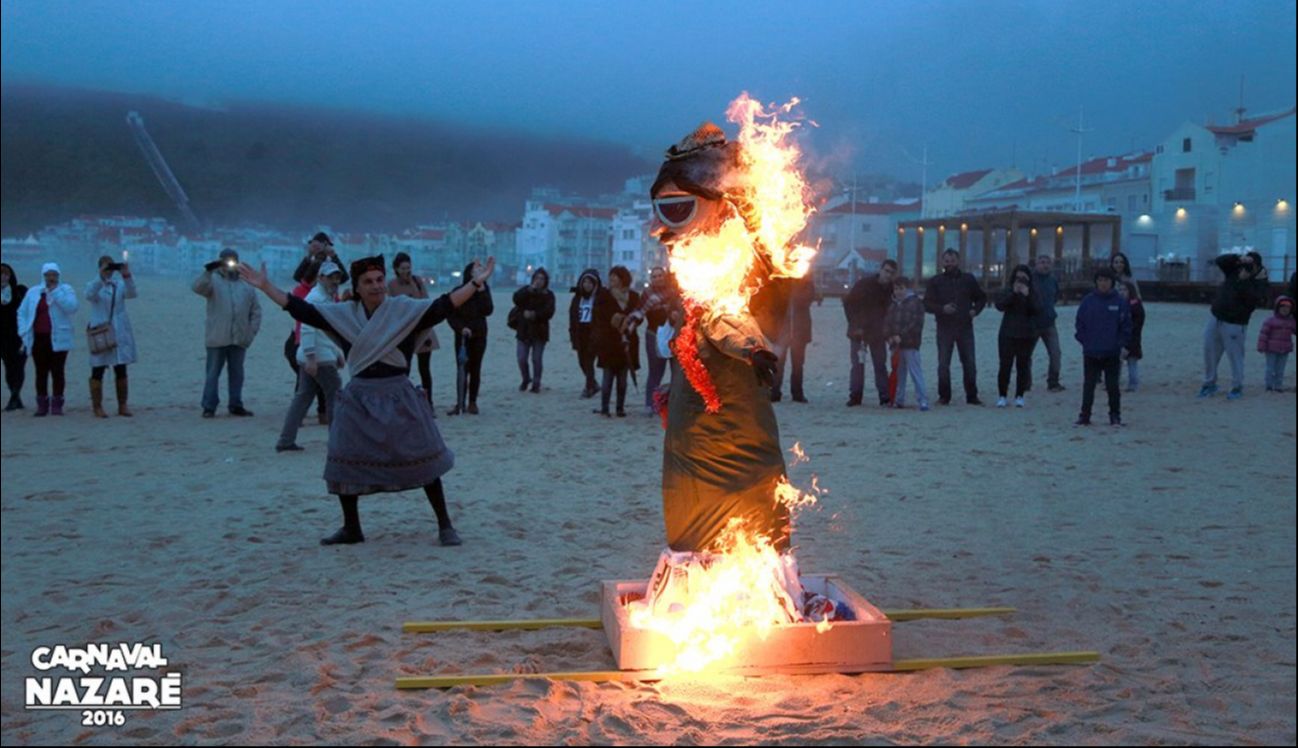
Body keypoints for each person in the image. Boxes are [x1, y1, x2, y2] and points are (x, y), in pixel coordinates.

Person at [239, 254, 496, 546]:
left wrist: (476, 283)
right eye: (368, 282)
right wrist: (266, 286)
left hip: (399, 394)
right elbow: (302, 311)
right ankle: (351, 528)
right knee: (344, 459)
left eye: (378, 280)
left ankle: (445, 525)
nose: (376, 286)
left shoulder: (403, 310)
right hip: (359, 396)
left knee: (425, 459)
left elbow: (443, 305)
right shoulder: (343, 314)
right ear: (357, 287)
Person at [649, 121, 790, 553]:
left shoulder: (727, 271)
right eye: (667, 207)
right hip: (694, 420)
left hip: (730, 411)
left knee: (751, 492)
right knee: (690, 494)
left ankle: (758, 566)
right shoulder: (701, 268)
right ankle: (696, 563)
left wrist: (755, 350)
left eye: (681, 206)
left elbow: (729, 321)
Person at [277, 261, 346, 452]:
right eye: (330, 277)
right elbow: (306, 328)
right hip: (317, 357)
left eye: (337, 277)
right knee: (334, 394)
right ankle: (336, 441)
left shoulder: (328, 297)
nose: (334, 280)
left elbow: (328, 331)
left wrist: (336, 352)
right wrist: (311, 357)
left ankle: (285, 440)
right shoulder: (316, 298)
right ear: (320, 278)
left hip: (320, 354)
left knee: (303, 397)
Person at [193, 248, 262, 418]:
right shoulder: (214, 282)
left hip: (239, 338)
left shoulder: (246, 285)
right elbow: (198, 288)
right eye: (226, 261)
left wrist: (250, 333)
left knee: (237, 374)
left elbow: (256, 311)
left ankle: (235, 404)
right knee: (212, 374)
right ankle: (209, 406)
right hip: (217, 337)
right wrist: (208, 271)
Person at [1199, 251, 1269, 400]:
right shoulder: (1234, 270)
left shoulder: (1260, 281)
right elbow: (1220, 260)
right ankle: (1209, 384)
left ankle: (1237, 386)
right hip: (1216, 316)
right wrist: (1238, 258)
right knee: (1209, 353)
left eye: (1252, 264)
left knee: (1235, 357)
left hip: (1236, 323)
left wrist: (1244, 281)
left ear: (1258, 266)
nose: (1248, 267)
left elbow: (1254, 300)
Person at [924, 248, 987, 405]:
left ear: (958, 261)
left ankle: (972, 395)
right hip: (944, 327)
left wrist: (975, 310)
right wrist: (942, 309)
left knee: (969, 363)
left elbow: (981, 297)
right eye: (946, 261)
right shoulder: (935, 281)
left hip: (965, 326)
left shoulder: (968, 279)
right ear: (942, 262)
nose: (949, 264)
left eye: (952, 261)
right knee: (943, 364)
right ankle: (944, 396)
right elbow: (926, 303)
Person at [17, 262, 78, 416]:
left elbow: (72, 307)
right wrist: (23, 331)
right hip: (39, 337)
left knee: (58, 371)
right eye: (48, 275)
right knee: (41, 371)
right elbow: (22, 312)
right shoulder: (33, 292)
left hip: (59, 337)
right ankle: (42, 404)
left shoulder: (66, 290)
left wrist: (55, 292)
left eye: (54, 275)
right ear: (43, 276)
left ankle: (57, 403)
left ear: (58, 276)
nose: (51, 278)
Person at [1074, 268, 1132, 426]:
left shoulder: (1119, 302)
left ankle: (1115, 415)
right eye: (1100, 280)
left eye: (1106, 280)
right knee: (1089, 385)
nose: (1103, 283)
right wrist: (1085, 341)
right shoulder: (1088, 301)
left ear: (1112, 282)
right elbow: (1080, 323)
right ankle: (1085, 415)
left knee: (1112, 386)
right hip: (1091, 351)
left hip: (1111, 352)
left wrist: (1120, 344)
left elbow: (1126, 326)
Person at [84, 255, 139, 418]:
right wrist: (101, 277)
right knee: (98, 369)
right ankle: (97, 406)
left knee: (121, 367)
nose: (109, 271)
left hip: (119, 329)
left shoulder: (119, 285)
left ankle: (122, 405)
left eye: (110, 268)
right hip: (100, 331)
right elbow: (89, 294)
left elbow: (133, 293)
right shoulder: (94, 285)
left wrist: (127, 275)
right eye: (105, 267)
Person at [843, 260, 897, 406]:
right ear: (880, 269)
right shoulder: (864, 284)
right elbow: (848, 304)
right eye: (886, 271)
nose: (888, 275)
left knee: (880, 364)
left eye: (891, 273)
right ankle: (855, 396)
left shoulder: (892, 289)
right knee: (858, 365)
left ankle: (884, 396)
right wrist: (855, 325)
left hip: (878, 333)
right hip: (858, 331)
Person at [388, 252, 439, 405]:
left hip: (422, 330)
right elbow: (390, 309)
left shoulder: (417, 281)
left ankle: (428, 403)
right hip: (403, 331)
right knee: (404, 370)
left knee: (425, 369)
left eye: (408, 268)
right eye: (403, 268)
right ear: (396, 269)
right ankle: (403, 402)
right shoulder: (391, 285)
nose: (406, 271)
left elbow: (426, 302)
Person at [592, 265, 643, 417]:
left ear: (623, 279)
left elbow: (639, 315)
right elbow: (599, 316)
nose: (613, 279)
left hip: (628, 340)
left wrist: (629, 323)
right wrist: (615, 320)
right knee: (607, 376)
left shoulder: (633, 296)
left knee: (623, 378)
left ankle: (620, 408)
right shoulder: (604, 295)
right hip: (608, 341)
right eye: (611, 276)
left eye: (616, 277)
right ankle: (605, 407)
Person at [446, 260, 494, 415]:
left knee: (475, 369)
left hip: (479, 334)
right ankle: (460, 402)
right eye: (477, 269)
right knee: (462, 370)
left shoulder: (484, 290)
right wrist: (461, 328)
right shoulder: (459, 290)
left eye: (481, 269)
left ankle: (472, 402)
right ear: (469, 273)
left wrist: (482, 291)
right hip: (462, 336)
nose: (480, 270)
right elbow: (451, 315)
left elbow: (488, 310)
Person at [993, 264, 1040, 408]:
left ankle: (1020, 395)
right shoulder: (1008, 290)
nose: (1021, 280)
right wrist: (1014, 293)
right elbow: (1000, 306)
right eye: (1018, 277)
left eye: (1024, 278)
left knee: (1023, 365)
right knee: (1005, 366)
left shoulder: (1033, 292)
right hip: (1007, 333)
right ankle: (1002, 395)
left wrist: (1027, 295)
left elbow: (1038, 309)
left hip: (1027, 334)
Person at [884, 276, 928, 411]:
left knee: (915, 372)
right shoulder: (892, 304)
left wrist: (900, 336)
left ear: (907, 288)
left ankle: (923, 400)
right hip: (896, 345)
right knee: (899, 374)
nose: (898, 291)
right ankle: (899, 399)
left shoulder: (915, 303)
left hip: (911, 343)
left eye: (901, 288)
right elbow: (887, 323)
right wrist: (889, 336)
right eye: (896, 288)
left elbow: (916, 323)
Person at [639, 266, 679, 412]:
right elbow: (639, 313)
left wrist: (674, 314)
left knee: (676, 372)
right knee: (656, 372)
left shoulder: (675, 294)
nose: (657, 278)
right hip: (654, 336)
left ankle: (673, 404)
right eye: (654, 276)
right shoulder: (647, 295)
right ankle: (650, 404)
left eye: (660, 275)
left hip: (674, 336)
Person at [772, 274, 815, 403]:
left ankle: (797, 393)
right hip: (781, 330)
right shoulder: (780, 282)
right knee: (778, 363)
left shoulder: (806, 281)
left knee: (798, 365)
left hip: (799, 331)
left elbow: (808, 298)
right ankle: (775, 391)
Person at [511, 267, 556, 393]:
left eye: (542, 279)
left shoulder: (548, 295)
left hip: (539, 331)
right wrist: (528, 290)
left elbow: (549, 312)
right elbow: (516, 299)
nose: (539, 281)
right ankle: (526, 379)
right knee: (521, 358)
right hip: (523, 330)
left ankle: (536, 383)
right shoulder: (527, 291)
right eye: (537, 278)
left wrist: (535, 314)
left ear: (546, 281)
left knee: (537, 359)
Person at [1032, 254, 1065, 392]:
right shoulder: (1031, 280)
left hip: (1049, 322)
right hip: (1032, 323)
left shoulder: (1053, 280)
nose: (1044, 265)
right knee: (1027, 355)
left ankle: (1053, 381)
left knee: (1055, 353)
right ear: (1036, 265)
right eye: (1041, 262)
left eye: (1047, 263)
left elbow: (1055, 296)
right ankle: (1026, 382)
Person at [568, 268, 602, 398]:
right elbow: (572, 317)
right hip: (580, 333)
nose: (587, 285)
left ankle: (589, 388)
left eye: (590, 283)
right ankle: (594, 384)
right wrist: (572, 334)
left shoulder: (599, 299)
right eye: (585, 282)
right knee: (582, 362)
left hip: (593, 333)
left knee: (589, 361)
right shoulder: (577, 299)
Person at [1, 263, 28, 411]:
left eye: (5, 274)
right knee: (8, 367)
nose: (3, 277)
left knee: (19, 366)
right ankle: (14, 395)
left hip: (20, 336)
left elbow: (28, 311)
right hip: (3, 337)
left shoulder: (20, 291)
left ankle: (15, 397)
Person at [1257, 295, 1296, 392]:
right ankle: (1269, 385)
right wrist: (1261, 346)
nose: (1285, 310)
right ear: (1277, 308)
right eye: (1282, 307)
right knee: (1270, 368)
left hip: (1285, 349)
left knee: (1280, 369)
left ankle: (1278, 385)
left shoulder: (1291, 322)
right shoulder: (1270, 321)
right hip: (1271, 349)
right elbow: (1263, 335)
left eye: (1288, 308)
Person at [1117, 280, 1145, 392]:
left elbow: (1138, 324)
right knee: (1116, 362)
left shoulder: (1135, 305)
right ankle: (1114, 382)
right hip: (1120, 337)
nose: (1122, 292)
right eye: (1120, 290)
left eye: (1124, 290)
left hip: (1132, 338)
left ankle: (1133, 384)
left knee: (1132, 362)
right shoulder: (1119, 303)